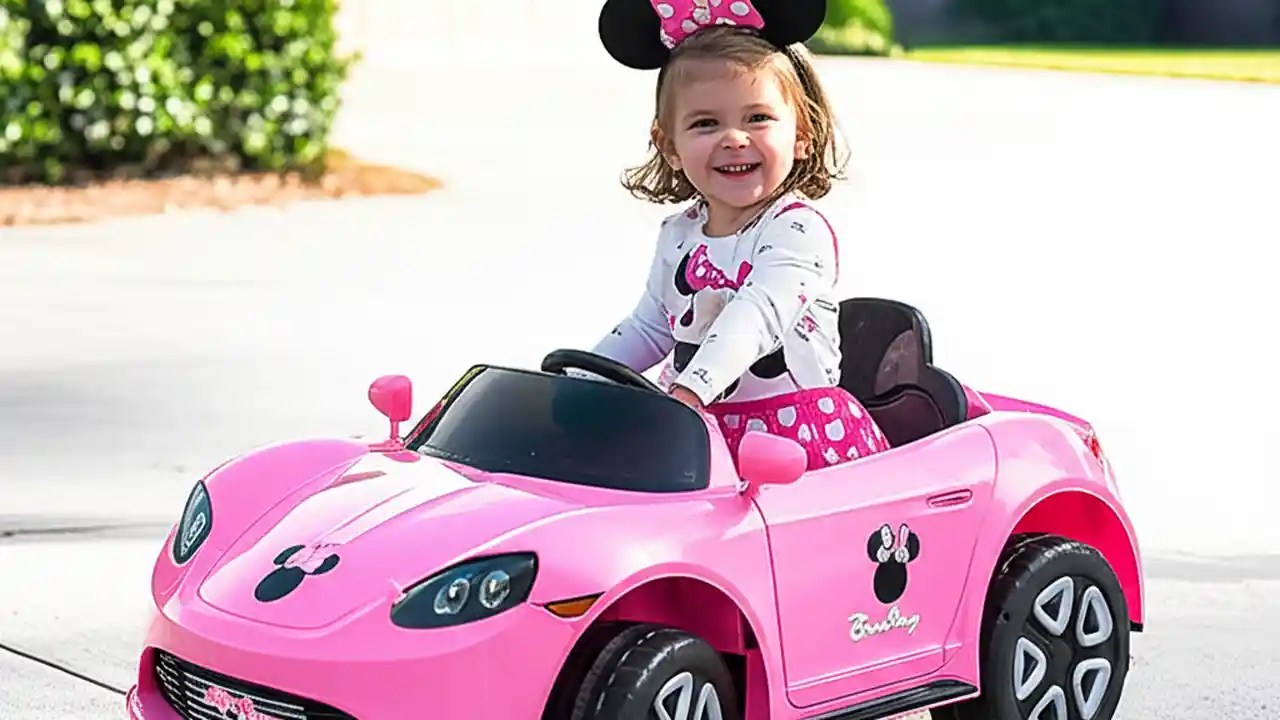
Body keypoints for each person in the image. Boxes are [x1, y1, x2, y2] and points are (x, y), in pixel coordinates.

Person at [589, 0, 891, 470]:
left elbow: (757, 314)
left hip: (795, 440)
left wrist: (690, 390)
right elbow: (650, 327)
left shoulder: (796, 230)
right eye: (706, 123)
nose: (734, 138)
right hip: (698, 433)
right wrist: (579, 380)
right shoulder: (680, 234)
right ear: (669, 145)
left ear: (802, 134)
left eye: (757, 118)